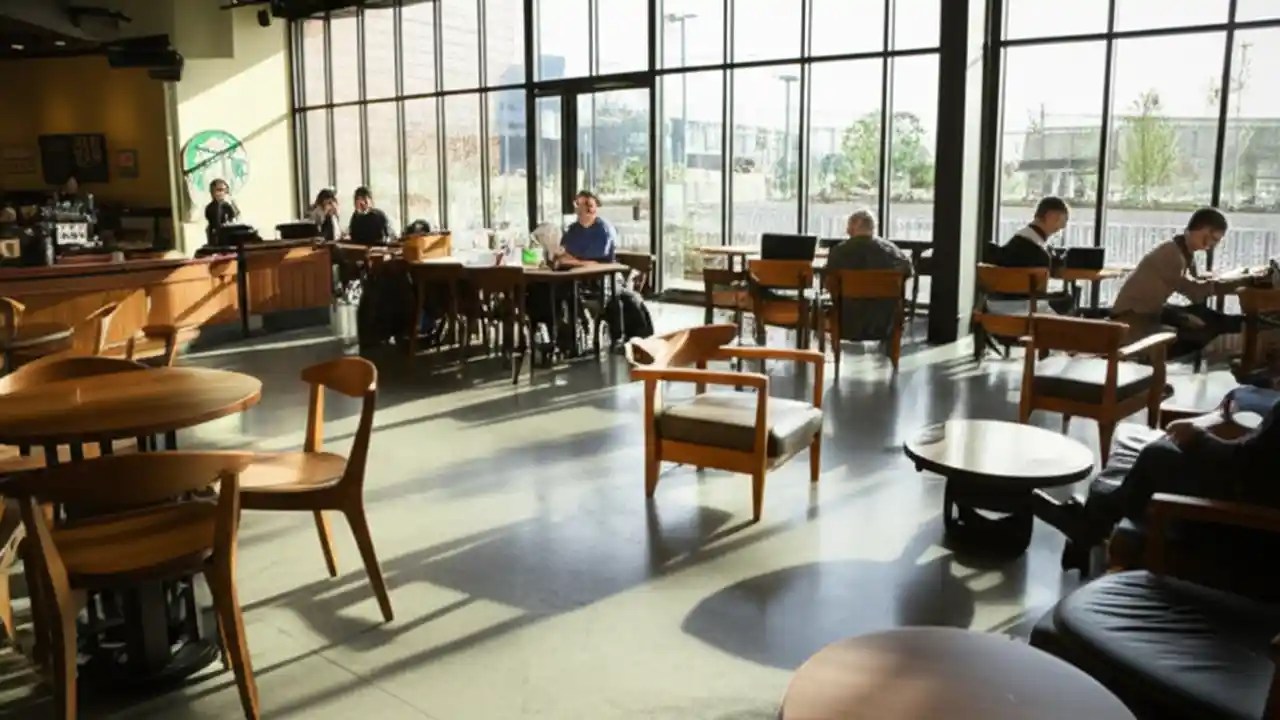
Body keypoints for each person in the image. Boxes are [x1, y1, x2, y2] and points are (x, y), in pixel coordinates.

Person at [1038, 385, 1280, 570]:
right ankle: (1088, 526)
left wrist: (1198, 438)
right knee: (1158, 454)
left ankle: (1088, 526)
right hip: (1255, 489)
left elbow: (1247, 464)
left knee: (1157, 455)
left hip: (1247, 513)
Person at [1110, 207, 1247, 357]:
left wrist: (1218, 281)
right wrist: (1240, 282)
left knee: (1205, 316)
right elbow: (1195, 292)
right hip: (1133, 319)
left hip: (1147, 312)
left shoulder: (1180, 248)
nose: (1213, 245)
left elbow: (1190, 282)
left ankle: (1247, 323)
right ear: (1203, 229)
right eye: (1214, 238)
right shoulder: (1171, 254)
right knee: (1204, 328)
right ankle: (1249, 324)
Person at [824, 209, 914, 343]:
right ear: (873, 228)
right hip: (885, 323)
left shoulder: (838, 252)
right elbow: (908, 272)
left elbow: (829, 283)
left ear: (852, 228)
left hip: (847, 321)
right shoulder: (892, 251)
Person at [996, 196, 1074, 314]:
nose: (1061, 227)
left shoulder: (1018, 240)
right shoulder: (1039, 252)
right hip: (1022, 308)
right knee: (1066, 301)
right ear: (1050, 216)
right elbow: (1040, 290)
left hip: (995, 305)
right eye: (1062, 221)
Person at [556, 190, 617, 266]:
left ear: (595, 207)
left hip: (598, 273)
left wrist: (573, 261)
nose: (583, 209)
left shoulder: (603, 229)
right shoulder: (573, 229)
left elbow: (597, 262)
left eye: (588, 205)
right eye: (578, 204)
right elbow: (563, 253)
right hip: (573, 272)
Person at [204, 178, 240, 245]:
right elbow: (216, 224)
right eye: (219, 190)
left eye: (224, 190)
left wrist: (232, 202)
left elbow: (236, 217)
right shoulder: (210, 207)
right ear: (212, 192)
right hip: (216, 240)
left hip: (229, 238)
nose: (221, 193)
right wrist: (219, 204)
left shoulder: (228, 205)